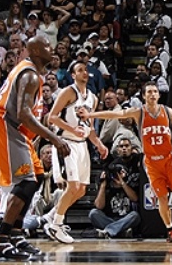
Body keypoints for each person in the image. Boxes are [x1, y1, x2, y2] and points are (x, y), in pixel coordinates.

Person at [0, 35, 71, 260]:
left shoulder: (33, 73)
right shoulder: (30, 75)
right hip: (5, 124)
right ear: (36, 51)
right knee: (26, 181)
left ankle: (16, 234)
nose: (53, 49)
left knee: (38, 176)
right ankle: (0, 239)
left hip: (16, 128)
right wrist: (55, 139)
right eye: (48, 46)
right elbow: (23, 113)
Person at [86, 82, 172, 243]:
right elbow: (115, 115)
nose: (153, 94)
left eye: (155, 91)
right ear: (144, 96)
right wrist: (91, 116)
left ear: (159, 95)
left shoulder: (167, 111)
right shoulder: (139, 112)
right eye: (149, 92)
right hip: (152, 162)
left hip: (169, 158)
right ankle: (170, 228)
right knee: (162, 198)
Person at [44, 60, 107, 243]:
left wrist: (99, 144)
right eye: (80, 70)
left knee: (81, 190)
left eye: (86, 70)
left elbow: (89, 127)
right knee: (72, 186)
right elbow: (52, 118)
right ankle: (56, 225)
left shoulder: (93, 98)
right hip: (66, 143)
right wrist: (72, 130)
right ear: (73, 75)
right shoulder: (68, 92)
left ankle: (51, 216)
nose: (84, 73)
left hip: (82, 145)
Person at [89, 137, 142, 239]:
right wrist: (103, 185)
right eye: (121, 146)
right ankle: (120, 231)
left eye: (127, 146)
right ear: (117, 150)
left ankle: (108, 231)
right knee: (93, 213)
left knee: (135, 215)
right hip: (110, 217)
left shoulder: (129, 180)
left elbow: (135, 198)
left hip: (126, 217)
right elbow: (99, 206)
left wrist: (122, 183)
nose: (124, 148)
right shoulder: (109, 178)